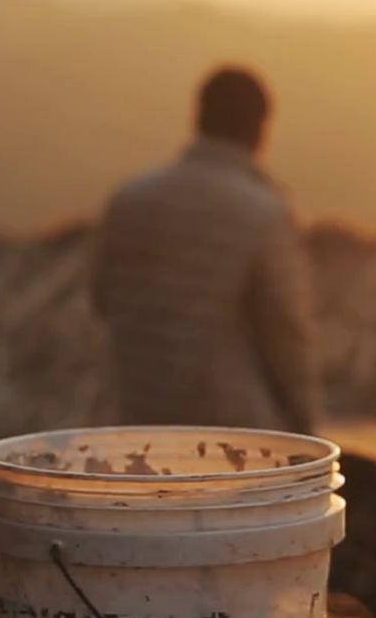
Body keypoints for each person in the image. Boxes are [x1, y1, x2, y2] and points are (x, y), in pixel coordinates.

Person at [90, 65, 319, 433]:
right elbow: (286, 334)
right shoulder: (262, 213)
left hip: (138, 418)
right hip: (227, 434)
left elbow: (102, 297)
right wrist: (307, 424)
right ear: (261, 128)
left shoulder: (128, 199)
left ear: (198, 118)